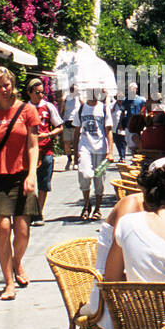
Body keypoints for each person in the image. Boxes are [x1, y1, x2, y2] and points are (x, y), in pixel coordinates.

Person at [0, 67, 41, 301]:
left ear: (12, 84)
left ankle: (17, 262)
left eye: (7, 84)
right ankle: (8, 282)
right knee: (3, 228)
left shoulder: (27, 110)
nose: (4, 90)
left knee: (22, 230)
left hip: (22, 175)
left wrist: (31, 174)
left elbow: (33, 145)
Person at [73, 90, 117, 221]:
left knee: (99, 180)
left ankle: (97, 208)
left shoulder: (104, 108)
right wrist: (75, 152)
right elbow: (76, 131)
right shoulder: (81, 109)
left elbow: (108, 130)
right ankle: (86, 204)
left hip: (101, 149)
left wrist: (110, 151)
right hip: (85, 147)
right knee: (84, 175)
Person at [27, 78, 64, 225]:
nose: (40, 95)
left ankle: (38, 213)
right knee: (29, 183)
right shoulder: (25, 109)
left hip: (46, 149)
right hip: (29, 151)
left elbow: (59, 126)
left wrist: (48, 135)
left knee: (44, 182)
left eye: (42, 92)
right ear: (29, 93)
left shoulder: (48, 107)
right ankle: (31, 211)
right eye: (37, 92)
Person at [61, 85, 81, 170]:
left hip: (76, 123)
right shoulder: (66, 99)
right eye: (74, 90)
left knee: (76, 143)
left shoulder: (79, 99)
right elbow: (61, 110)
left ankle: (76, 162)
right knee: (67, 143)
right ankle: (69, 159)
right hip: (67, 122)